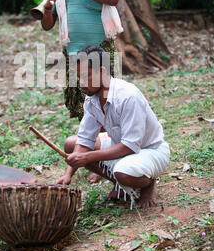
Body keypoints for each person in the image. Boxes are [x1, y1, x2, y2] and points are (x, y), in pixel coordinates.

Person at [56, 45, 170, 209]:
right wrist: (67, 175)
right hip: (121, 146)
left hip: (150, 149)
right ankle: (120, 184)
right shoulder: (92, 98)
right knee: (72, 145)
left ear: (101, 72)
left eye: (85, 76)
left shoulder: (128, 96)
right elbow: (85, 140)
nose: (80, 83)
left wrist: (86, 158)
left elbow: (130, 146)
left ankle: (147, 183)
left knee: (121, 172)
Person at [41, 0, 123, 122]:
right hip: (73, 53)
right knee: (82, 106)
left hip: (101, 49)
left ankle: (110, 144)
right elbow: (47, 25)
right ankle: (90, 145)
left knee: (108, 99)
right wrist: (47, 5)